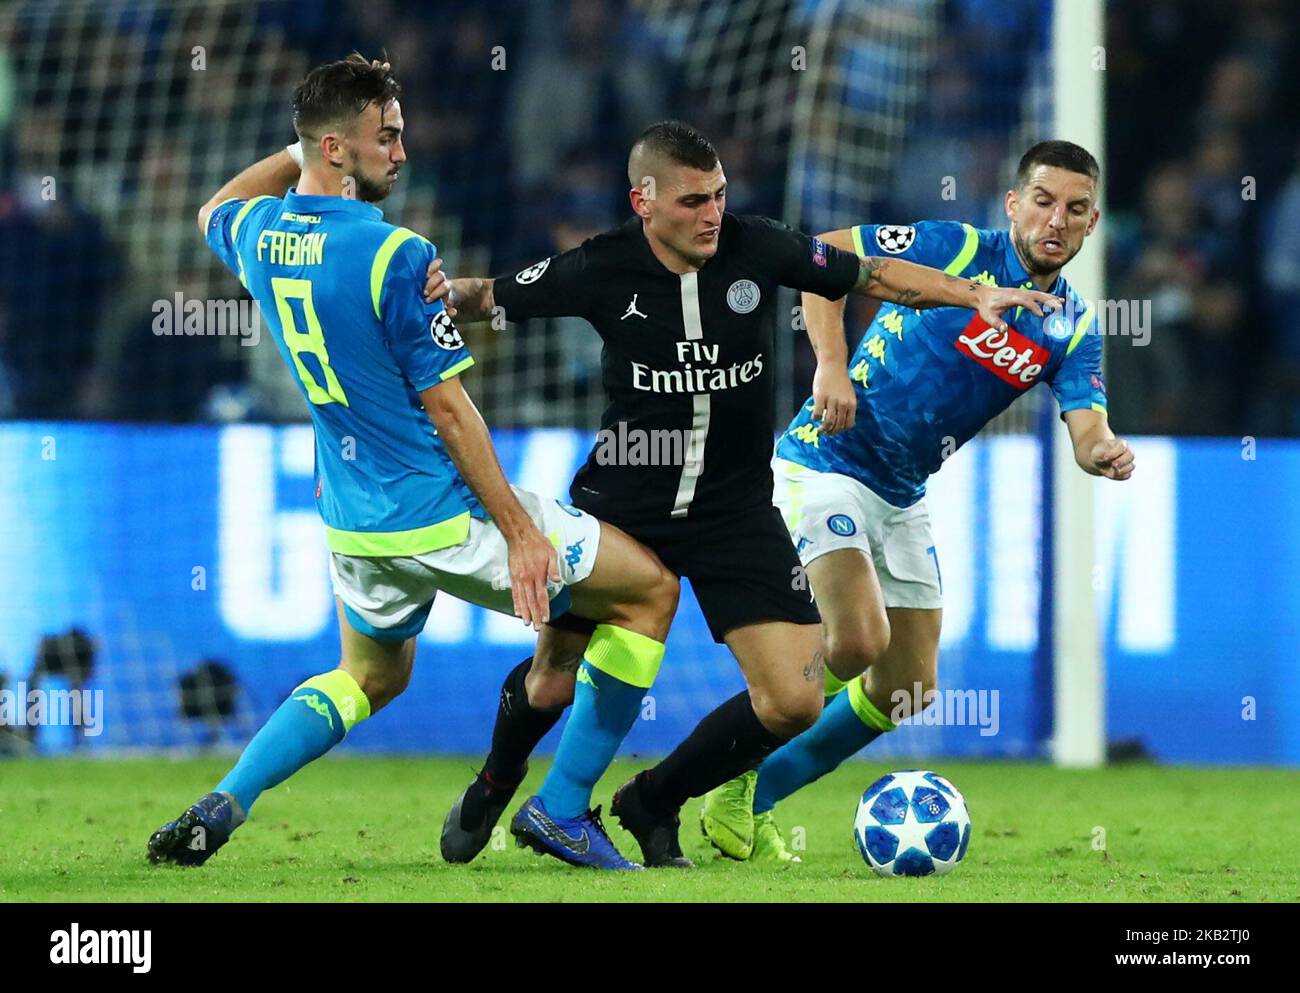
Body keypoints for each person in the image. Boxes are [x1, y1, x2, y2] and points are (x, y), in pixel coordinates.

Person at [431, 120, 1060, 868]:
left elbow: (871, 273)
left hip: (734, 508)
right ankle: (498, 782)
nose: (712, 214)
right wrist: (432, 292)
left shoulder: (758, 246)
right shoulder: (599, 268)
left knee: (794, 697)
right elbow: (488, 296)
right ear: (644, 201)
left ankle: (648, 801)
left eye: (721, 195)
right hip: (625, 502)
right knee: (550, 678)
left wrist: (971, 294)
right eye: (695, 199)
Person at [147, 55, 677, 870]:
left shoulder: (260, 235)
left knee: (368, 676)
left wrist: (296, 156)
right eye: (384, 137)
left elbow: (213, 207)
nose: (400, 152)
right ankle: (563, 808)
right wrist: (521, 533)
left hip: (355, 521)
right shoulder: (396, 254)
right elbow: (450, 410)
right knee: (649, 593)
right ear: (335, 145)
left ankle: (229, 798)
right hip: (439, 509)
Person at [700, 140, 1136, 863]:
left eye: (1076, 209)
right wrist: (830, 367)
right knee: (859, 639)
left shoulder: (1074, 328)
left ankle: (752, 791)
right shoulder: (957, 249)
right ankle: (728, 763)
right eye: (1044, 200)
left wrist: (1104, 453)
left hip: (903, 493)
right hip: (825, 461)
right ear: (1013, 204)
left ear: (1092, 225)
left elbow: (1088, 428)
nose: (1056, 219)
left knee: (907, 684)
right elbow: (824, 256)